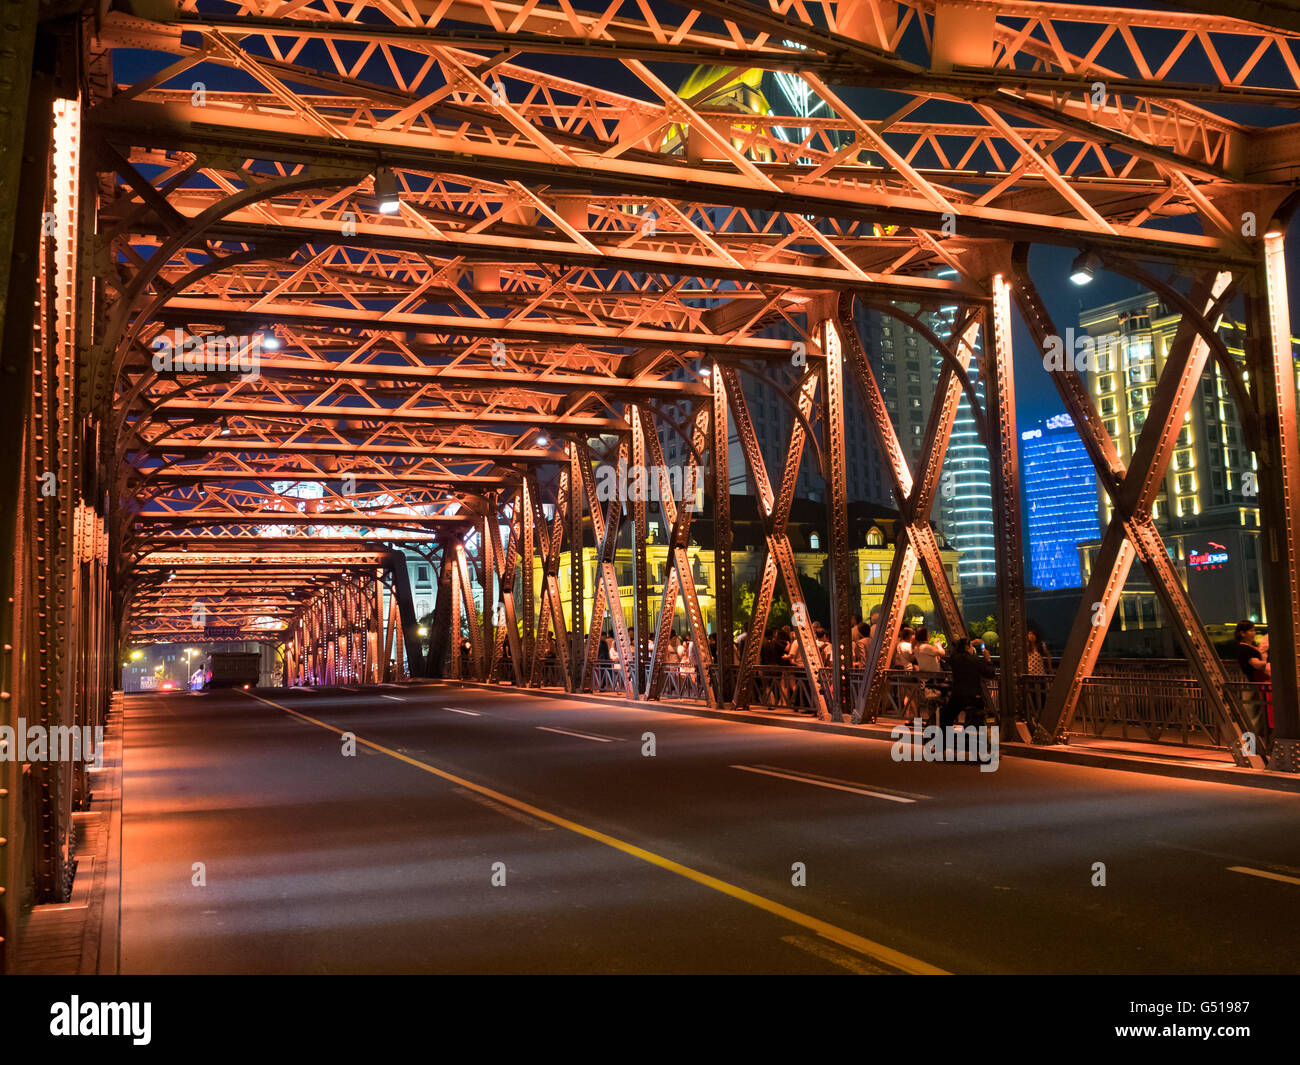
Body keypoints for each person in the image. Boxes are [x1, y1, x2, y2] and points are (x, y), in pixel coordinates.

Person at [941, 637, 996, 729]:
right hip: (973, 696)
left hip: (957, 695)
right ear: (967, 647)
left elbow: (955, 652)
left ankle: (945, 739)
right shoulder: (975, 660)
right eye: (971, 646)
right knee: (978, 716)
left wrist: (970, 643)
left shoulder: (955, 658)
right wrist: (988, 659)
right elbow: (990, 673)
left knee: (947, 717)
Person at [1236, 621, 1270, 743]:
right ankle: (1252, 748)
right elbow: (1255, 665)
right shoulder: (1243, 648)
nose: (1253, 633)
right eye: (1250, 630)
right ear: (1242, 633)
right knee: (1254, 716)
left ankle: (1255, 747)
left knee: (1258, 716)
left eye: (1254, 630)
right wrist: (1268, 663)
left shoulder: (1250, 647)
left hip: (1257, 683)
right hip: (1252, 684)